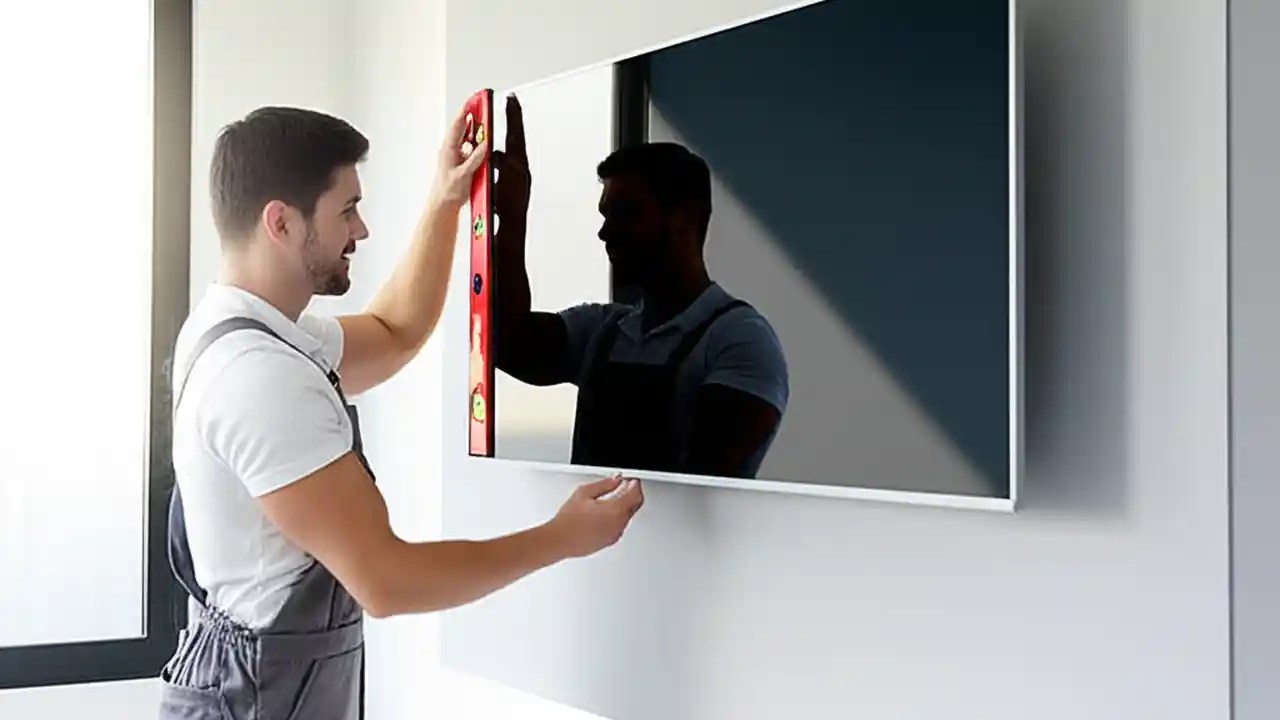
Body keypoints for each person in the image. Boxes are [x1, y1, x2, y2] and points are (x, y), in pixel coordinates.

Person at [157, 102, 644, 720]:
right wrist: (559, 538)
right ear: (280, 222)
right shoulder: (259, 379)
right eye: (346, 210)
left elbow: (393, 330)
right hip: (259, 702)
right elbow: (385, 580)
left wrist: (446, 202)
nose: (360, 231)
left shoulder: (247, 331)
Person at [491, 95, 789, 480]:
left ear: (685, 219)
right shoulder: (603, 329)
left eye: (626, 212)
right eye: (605, 214)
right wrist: (511, 219)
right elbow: (507, 343)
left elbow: (702, 481)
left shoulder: (740, 339)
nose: (605, 231)